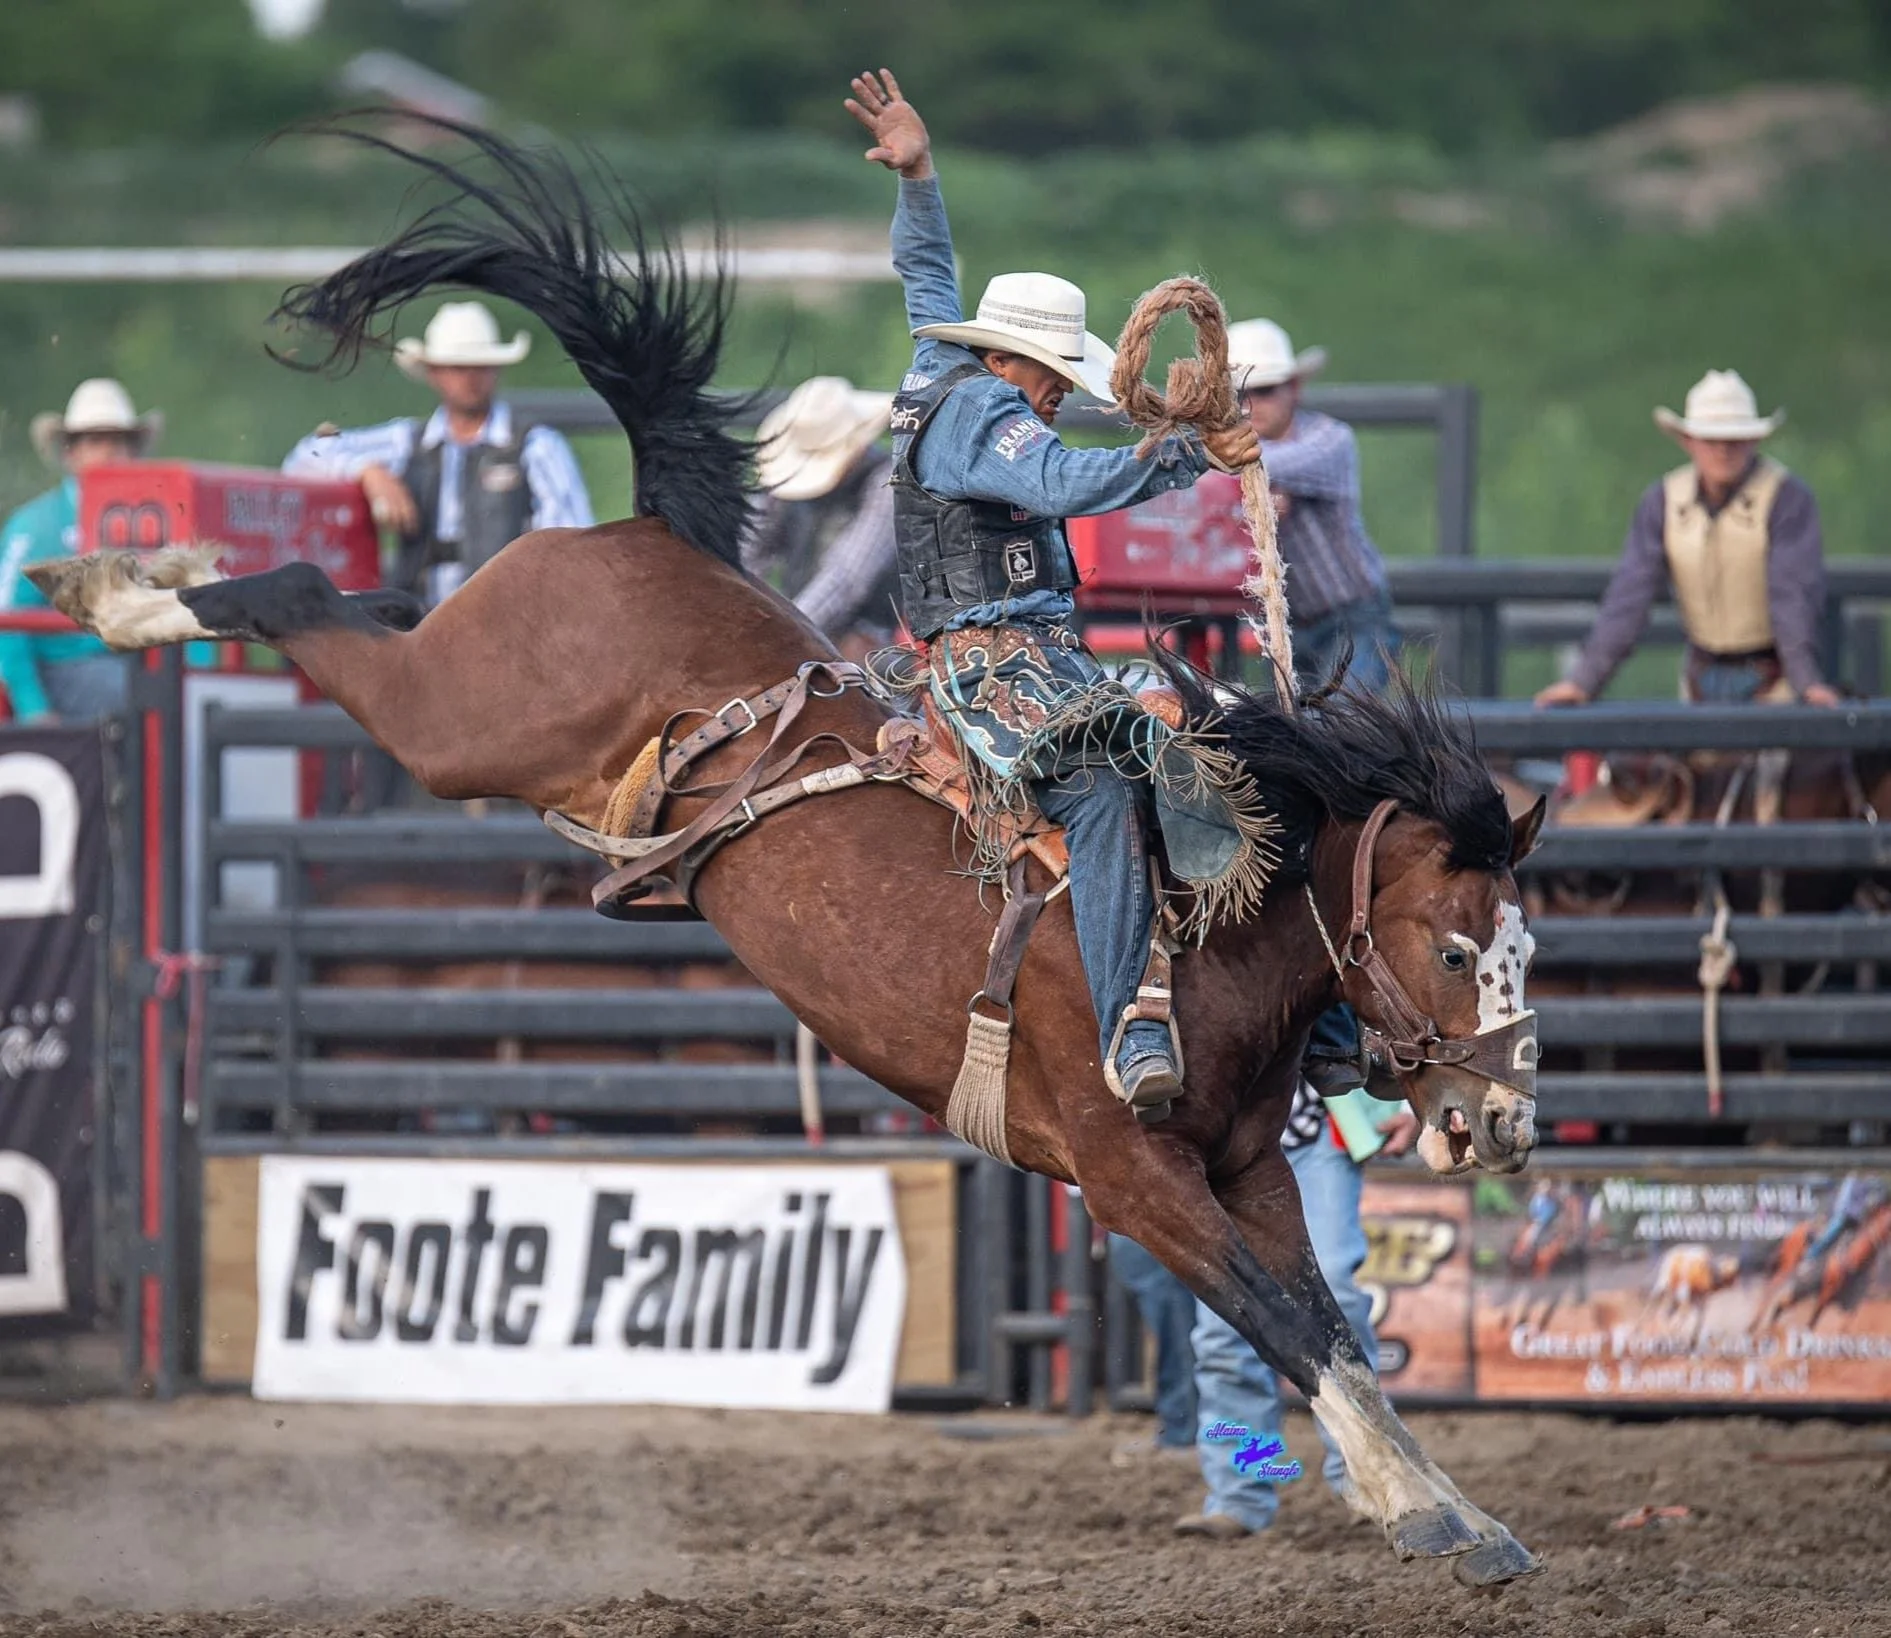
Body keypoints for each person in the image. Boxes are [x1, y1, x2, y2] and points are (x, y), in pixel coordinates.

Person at [845, 68, 1260, 1114]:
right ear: (1020, 363)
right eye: (1053, 380)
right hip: (996, 673)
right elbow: (1062, 482)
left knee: (1200, 737)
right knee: (1106, 787)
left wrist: (920, 176)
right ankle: (1130, 1023)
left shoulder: (942, 375)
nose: (1055, 398)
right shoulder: (986, 417)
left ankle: (1305, 1006)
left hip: (1034, 659)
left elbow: (927, 274)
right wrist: (1185, 454)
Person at [1177, 1080, 1418, 1540]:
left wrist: (1401, 1099)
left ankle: (1366, 1482)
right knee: (1223, 1328)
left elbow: (1365, 1012)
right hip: (1221, 1147)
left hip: (1309, 1132)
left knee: (1335, 1298)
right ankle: (1239, 1495)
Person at [1535, 370, 1839, 709]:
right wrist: (1584, 681)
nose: (1722, 450)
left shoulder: (1786, 498)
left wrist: (1806, 683)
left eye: (1734, 439)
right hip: (1700, 678)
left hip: (1776, 679)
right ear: (1688, 441)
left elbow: (1792, 595)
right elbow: (1629, 596)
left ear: (1754, 440)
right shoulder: (1663, 500)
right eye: (1711, 439)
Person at [282, 300, 594, 607]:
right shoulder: (409, 441)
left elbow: (571, 545)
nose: (470, 378)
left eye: (480, 366)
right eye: (458, 367)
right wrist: (368, 471)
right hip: (417, 625)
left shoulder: (535, 447)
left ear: (495, 370)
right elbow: (306, 455)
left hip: (506, 624)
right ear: (434, 373)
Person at [1227, 319, 1397, 691]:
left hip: (1352, 620)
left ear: (1294, 388)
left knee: (1346, 727)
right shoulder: (1307, 442)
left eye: (1264, 390)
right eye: (1240, 394)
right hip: (1286, 627)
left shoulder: (1331, 439)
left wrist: (1231, 476)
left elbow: (1251, 464)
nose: (1251, 405)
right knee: (1290, 737)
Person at [0, 379, 157, 722]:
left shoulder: (151, 526)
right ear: (72, 453)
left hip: (131, 665)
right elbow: (8, 628)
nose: (112, 452)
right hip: (63, 668)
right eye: (97, 440)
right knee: (139, 693)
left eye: (120, 441)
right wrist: (34, 709)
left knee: (176, 691)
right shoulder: (36, 526)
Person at [744, 376, 900, 654]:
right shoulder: (782, 486)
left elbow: (846, 578)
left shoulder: (885, 482)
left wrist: (782, 634)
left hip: (877, 636)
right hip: (803, 620)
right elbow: (746, 551)